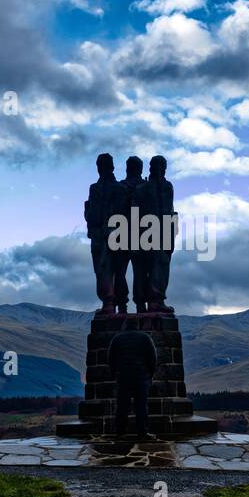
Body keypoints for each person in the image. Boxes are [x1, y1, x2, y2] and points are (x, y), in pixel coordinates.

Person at [110, 155, 153, 313]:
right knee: (138, 271)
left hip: (123, 232)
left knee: (121, 271)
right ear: (140, 169)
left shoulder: (120, 186)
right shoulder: (145, 186)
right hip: (140, 233)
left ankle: (123, 304)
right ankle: (139, 304)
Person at [108, 322, 157, 440]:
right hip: (141, 377)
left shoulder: (117, 338)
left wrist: (115, 374)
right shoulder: (145, 337)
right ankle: (142, 433)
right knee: (141, 406)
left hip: (123, 377)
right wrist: (150, 374)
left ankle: (120, 433)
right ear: (137, 326)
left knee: (122, 406)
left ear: (125, 326)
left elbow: (111, 358)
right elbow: (152, 358)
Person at [84, 153, 118, 315]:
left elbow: (93, 215)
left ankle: (109, 302)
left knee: (103, 269)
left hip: (102, 235)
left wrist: (87, 209)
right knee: (117, 270)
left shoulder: (96, 188)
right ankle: (118, 304)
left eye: (100, 166)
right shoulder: (120, 188)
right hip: (118, 234)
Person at [142, 154, 175, 313]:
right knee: (156, 265)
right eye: (158, 166)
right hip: (151, 231)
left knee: (160, 266)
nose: (160, 170)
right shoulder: (148, 188)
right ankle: (155, 300)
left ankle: (156, 300)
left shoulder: (166, 186)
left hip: (162, 231)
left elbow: (168, 210)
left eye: (162, 167)